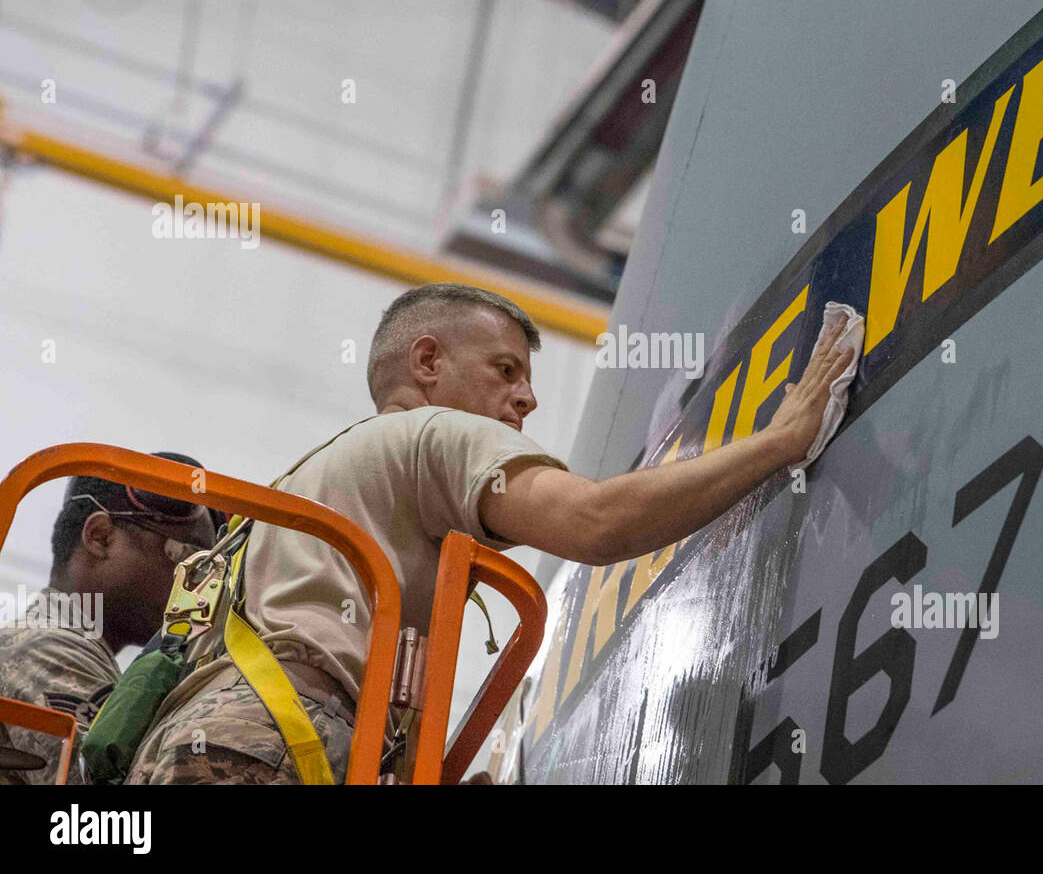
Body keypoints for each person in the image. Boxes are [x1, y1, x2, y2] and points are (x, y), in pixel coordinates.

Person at [127, 283, 850, 784]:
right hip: (272, 745)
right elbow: (596, 522)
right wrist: (781, 440)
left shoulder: (299, 491)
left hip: (196, 742)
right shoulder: (434, 434)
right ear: (429, 362)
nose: (527, 396)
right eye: (505, 370)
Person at [0, 457, 219, 784]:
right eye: (190, 557)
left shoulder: (68, 650)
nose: (199, 584)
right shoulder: (52, 652)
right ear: (100, 537)